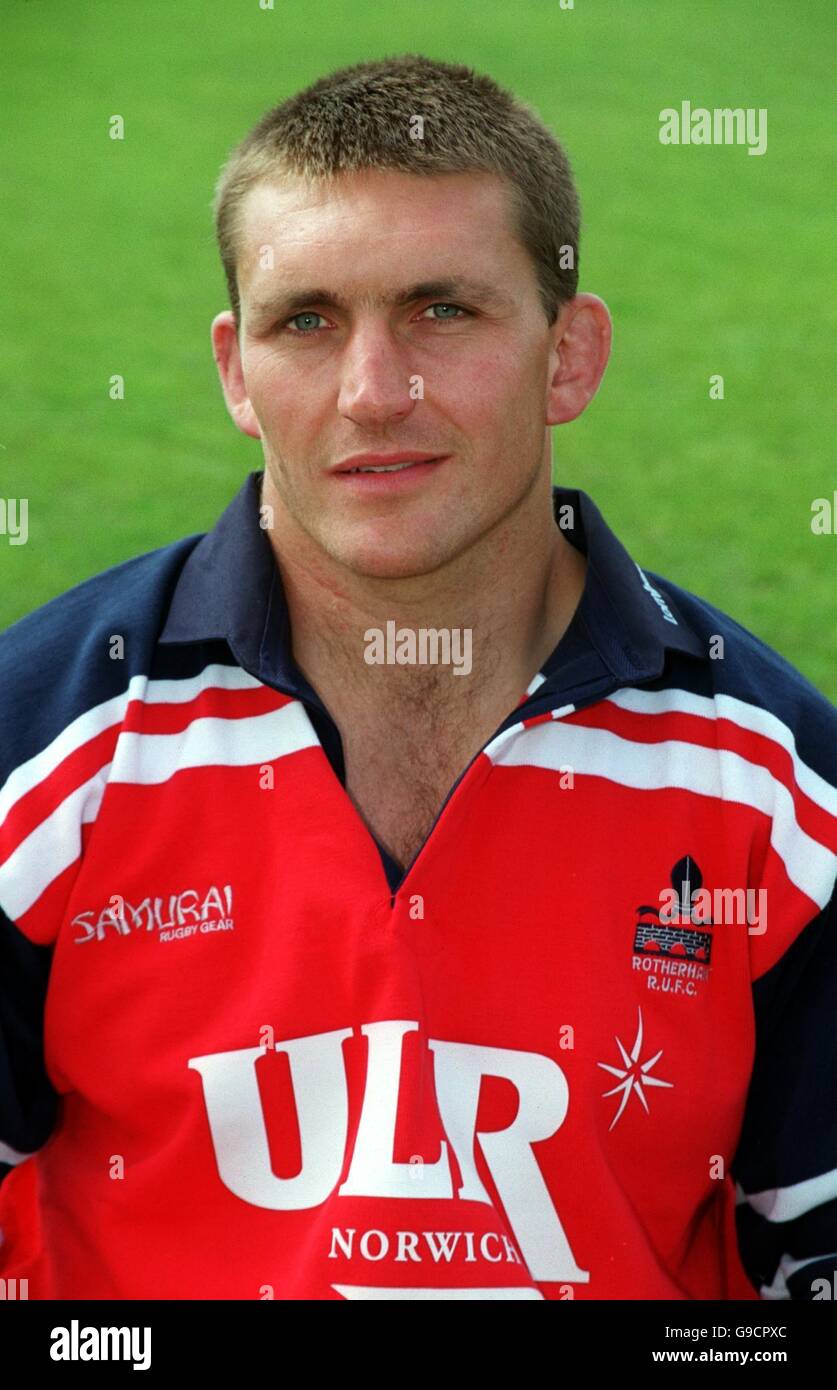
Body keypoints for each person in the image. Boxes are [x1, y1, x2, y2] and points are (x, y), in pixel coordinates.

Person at [0, 54, 835, 1302]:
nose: (374, 392)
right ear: (235, 370)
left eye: (443, 310)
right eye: (308, 320)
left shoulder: (773, 790)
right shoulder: (40, 749)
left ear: (570, 354)